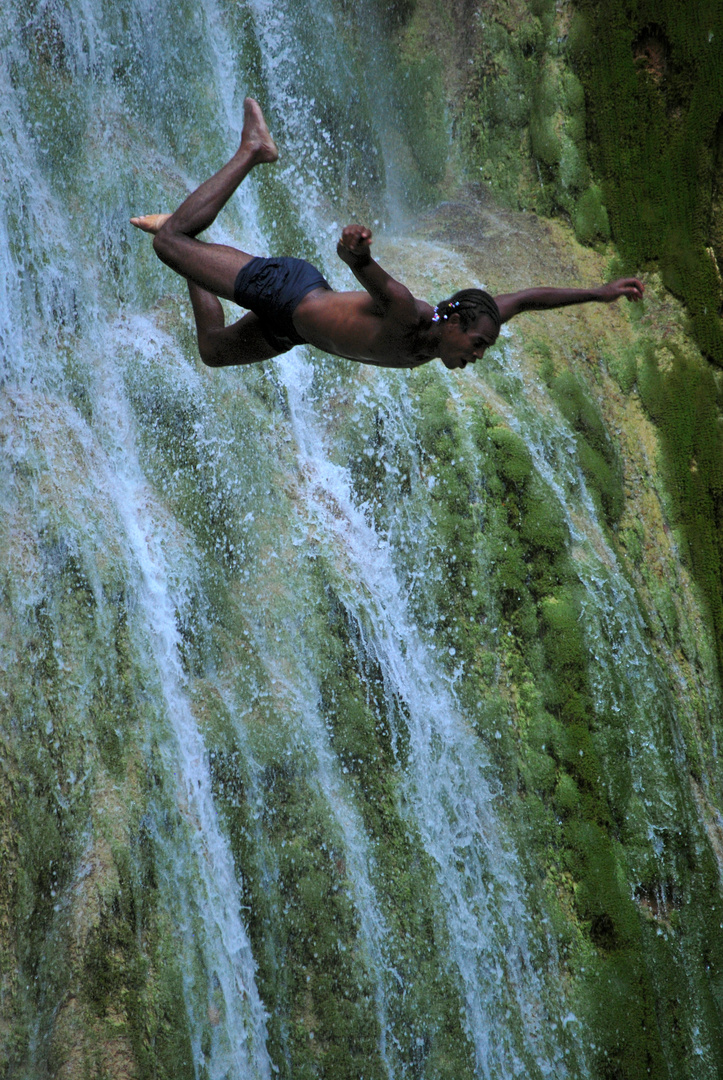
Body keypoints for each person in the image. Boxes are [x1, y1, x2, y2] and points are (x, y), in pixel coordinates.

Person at [131, 99, 644, 372]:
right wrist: (357, 249)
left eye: (484, 347)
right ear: (453, 323)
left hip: (291, 330)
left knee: (214, 351)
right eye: (479, 345)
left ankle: (194, 244)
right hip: (288, 290)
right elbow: (351, 258)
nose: (480, 354)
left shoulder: (460, 324)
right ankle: (252, 150)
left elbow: (529, 299)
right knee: (168, 241)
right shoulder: (406, 309)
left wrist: (598, 295)